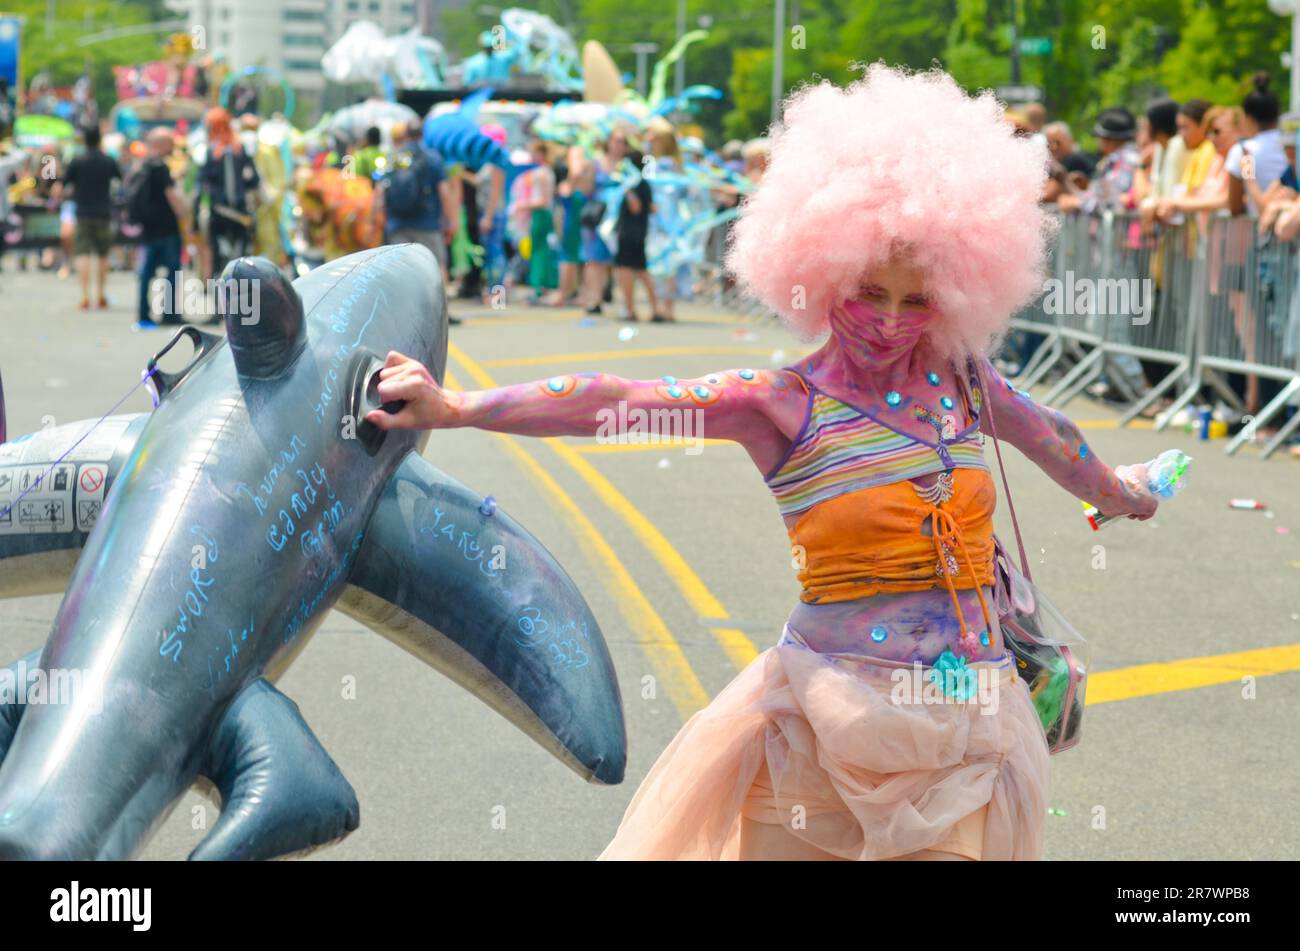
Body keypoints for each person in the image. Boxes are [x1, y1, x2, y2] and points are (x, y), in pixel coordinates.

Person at [361, 66, 1161, 861]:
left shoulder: (964, 377)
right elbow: (618, 400)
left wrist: (1116, 491)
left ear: (956, 290)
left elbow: (1049, 432)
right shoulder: (781, 402)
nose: (887, 321)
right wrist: (461, 406)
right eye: (865, 293)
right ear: (819, 275)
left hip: (971, 721)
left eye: (914, 299)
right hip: (824, 718)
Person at [383, 120, 457, 311]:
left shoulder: (394, 157)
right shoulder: (433, 158)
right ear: (422, 135)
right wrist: (451, 220)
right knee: (437, 265)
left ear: (405, 134)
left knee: (400, 268)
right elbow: (444, 192)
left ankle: (402, 312)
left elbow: (380, 192)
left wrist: (379, 219)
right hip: (427, 223)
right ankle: (440, 312)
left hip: (398, 222)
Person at [56, 125, 121, 310]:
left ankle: (85, 295)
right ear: (100, 140)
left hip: (82, 212)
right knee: (102, 255)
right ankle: (101, 294)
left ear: (84, 141)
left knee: (83, 253)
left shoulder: (77, 161)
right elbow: (119, 180)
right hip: (103, 212)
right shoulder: (108, 160)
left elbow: (62, 186)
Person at [131, 129, 188, 330]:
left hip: (147, 227)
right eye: (171, 143)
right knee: (172, 270)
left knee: (146, 272)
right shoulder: (161, 167)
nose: (173, 147)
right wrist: (184, 215)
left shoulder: (141, 165)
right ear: (162, 144)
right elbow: (171, 195)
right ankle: (169, 313)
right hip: (167, 227)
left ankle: (143, 312)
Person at [199, 107, 259, 279]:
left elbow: (203, 182)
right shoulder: (239, 148)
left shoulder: (212, 151)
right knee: (241, 257)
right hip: (240, 211)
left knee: (218, 257)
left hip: (218, 211)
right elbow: (253, 178)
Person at [612, 147, 657, 322]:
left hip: (629, 234)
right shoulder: (644, 184)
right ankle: (655, 307)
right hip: (639, 233)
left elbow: (636, 208)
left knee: (627, 271)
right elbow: (652, 208)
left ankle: (630, 309)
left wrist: (627, 191)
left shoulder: (633, 184)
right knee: (642, 271)